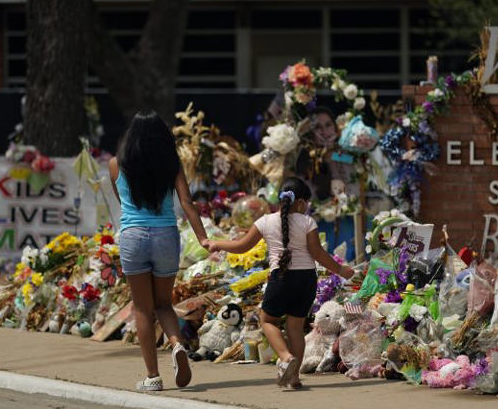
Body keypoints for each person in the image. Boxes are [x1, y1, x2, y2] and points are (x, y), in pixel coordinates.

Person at [209, 177, 355, 388]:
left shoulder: (265, 221)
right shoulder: (307, 222)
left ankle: (286, 358)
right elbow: (318, 253)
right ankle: (294, 378)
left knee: (267, 320)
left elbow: (241, 246)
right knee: (295, 327)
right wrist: (341, 270)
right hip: (307, 280)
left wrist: (217, 244)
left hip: (282, 278)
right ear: (302, 203)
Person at [109, 110, 213, 392]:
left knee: (142, 308)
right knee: (164, 304)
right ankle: (177, 344)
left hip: (133, 236)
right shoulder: (171, 164)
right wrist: (203, 239)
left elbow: (123, 201)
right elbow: (187, 202)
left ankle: (153, 377)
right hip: (166, 235)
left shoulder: (116, 164)